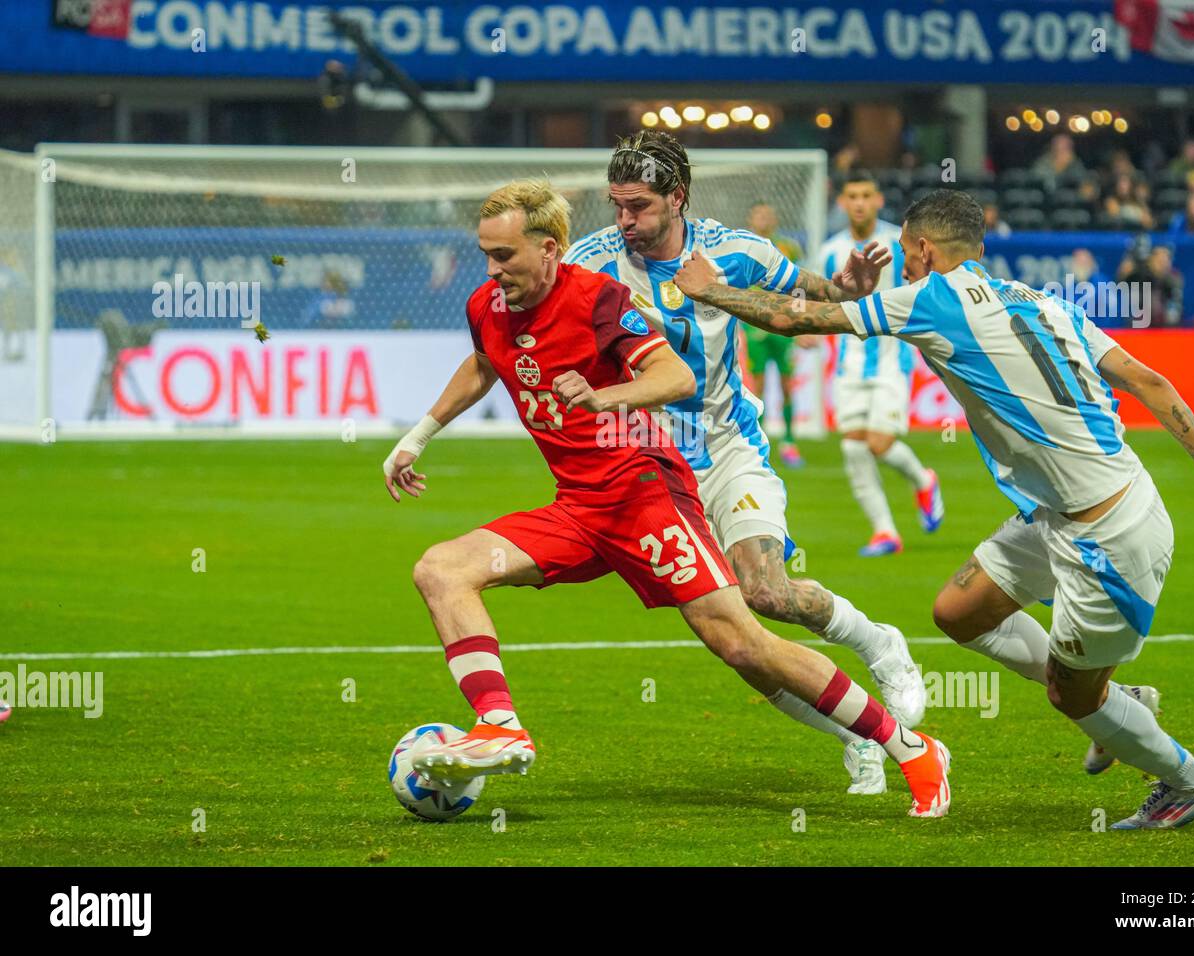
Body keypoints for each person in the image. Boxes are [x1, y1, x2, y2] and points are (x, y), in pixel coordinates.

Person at [673, 188, 1194, 830]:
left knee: (1071, 696)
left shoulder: (931, 298)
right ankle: (1118, 700)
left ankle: (1190, 779)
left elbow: (793, 319)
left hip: (1109, 536)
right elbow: (1150, 381)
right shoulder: (1042, 301)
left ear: (926, 251)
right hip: (1063, 513)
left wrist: (711, 289)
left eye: (905, 254)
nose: (903, 266)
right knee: (958, 612)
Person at [381, 179, 951, 816]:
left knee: (743, 641)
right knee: (440, 569)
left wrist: (604, 398)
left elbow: (674, 374)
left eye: (505, 256)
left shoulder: (598, 297)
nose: (493, 270)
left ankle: (911, 748)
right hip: (578, 507)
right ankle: (500, 726)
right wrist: (417, 436)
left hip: (646, 494)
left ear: (548, 250)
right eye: (486, 254)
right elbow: (485, 360)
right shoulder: (489, 304)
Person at [562, 131, 926, 796]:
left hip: (727, 446)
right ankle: (861, 736)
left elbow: (815, 295)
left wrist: (850, 286)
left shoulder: (734, 250)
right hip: (650, 469)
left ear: (678, 198)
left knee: (766, 592)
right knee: (735, 642)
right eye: (616, 205)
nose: (624, 221)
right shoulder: (591, 263)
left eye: (638, 206)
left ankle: (880, 644)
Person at [818, 169, 943, 558]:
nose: (858, 202)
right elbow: (826, 297)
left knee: (878, 442)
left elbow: (924, 284)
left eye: (865, 195)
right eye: (851, 194)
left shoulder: (898, 241)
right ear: (842, 202)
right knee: (854, 448)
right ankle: (885, 532)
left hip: (892, 359)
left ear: (877, 200)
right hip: (848, 363)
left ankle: (923, 479)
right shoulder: (829, 252)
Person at [743, 201, 810, 468]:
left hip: (784, 327)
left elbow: (800, 286)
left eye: (768, 214)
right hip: (755, 327)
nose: (764, 219)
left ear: (775, 219)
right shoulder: (743, 247)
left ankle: (790, 442)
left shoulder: (788, 248)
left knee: (786, 385)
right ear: (751, 220)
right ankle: (760, 442)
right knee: (757, 386)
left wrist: (802, 321)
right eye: (759, 215)